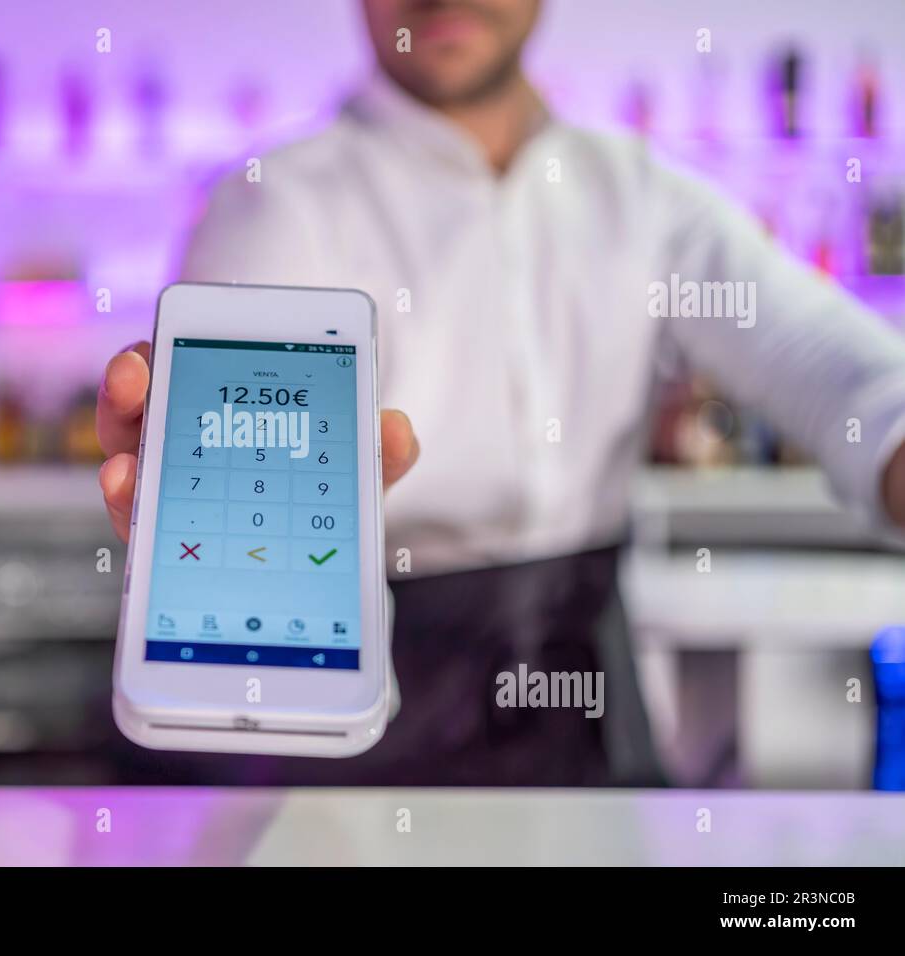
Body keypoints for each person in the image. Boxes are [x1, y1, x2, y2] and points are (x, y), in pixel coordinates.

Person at [96, 0, 905, 785]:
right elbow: (244, 452)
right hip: (352, 715)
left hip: (589, 707)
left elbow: (840, 370)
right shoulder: (273, 202)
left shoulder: (644, 196)